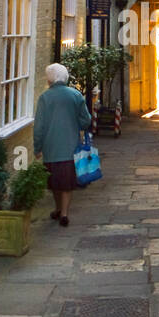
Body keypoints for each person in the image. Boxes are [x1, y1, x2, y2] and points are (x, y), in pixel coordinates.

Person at [33, 62, 92, 227]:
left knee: (54, 182)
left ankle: (58, 208)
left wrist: (37, 147)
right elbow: (86, 120)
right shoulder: (75, 95)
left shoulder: (44, 98)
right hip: (70, 146)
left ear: (50, 79)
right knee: (66, 182)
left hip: (50, 148)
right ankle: (65, 213)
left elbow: (39, 127)